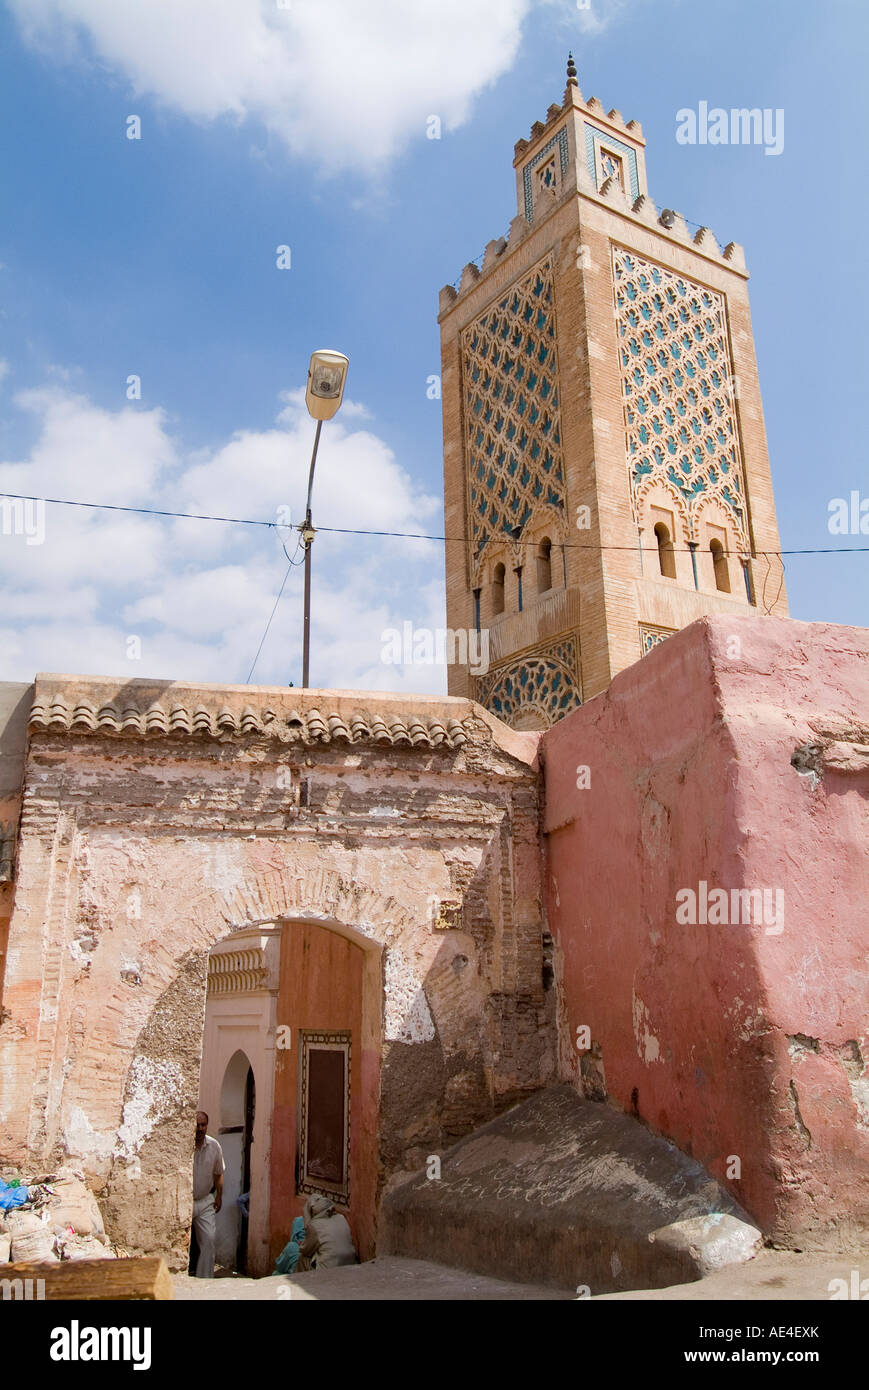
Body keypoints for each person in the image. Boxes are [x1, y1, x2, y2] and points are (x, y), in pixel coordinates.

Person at [191, 1110, 224, 1278]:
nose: (200, 1128)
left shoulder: (214, 1146)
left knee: (209, 1239)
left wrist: (219, 1196)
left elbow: (218, 1173)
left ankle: (204, 1281)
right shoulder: (183, 1146)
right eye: (197, 1125)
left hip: (205, 1200)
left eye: (203, 1125)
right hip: (186, 1202)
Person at [298, 1194, 358, 1269]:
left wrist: (308, 1224)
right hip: (351, 1263)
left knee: (302, 1258)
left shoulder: (314, 1225)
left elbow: (306, 1250)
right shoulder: (341, 1217)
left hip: (328, 1269)